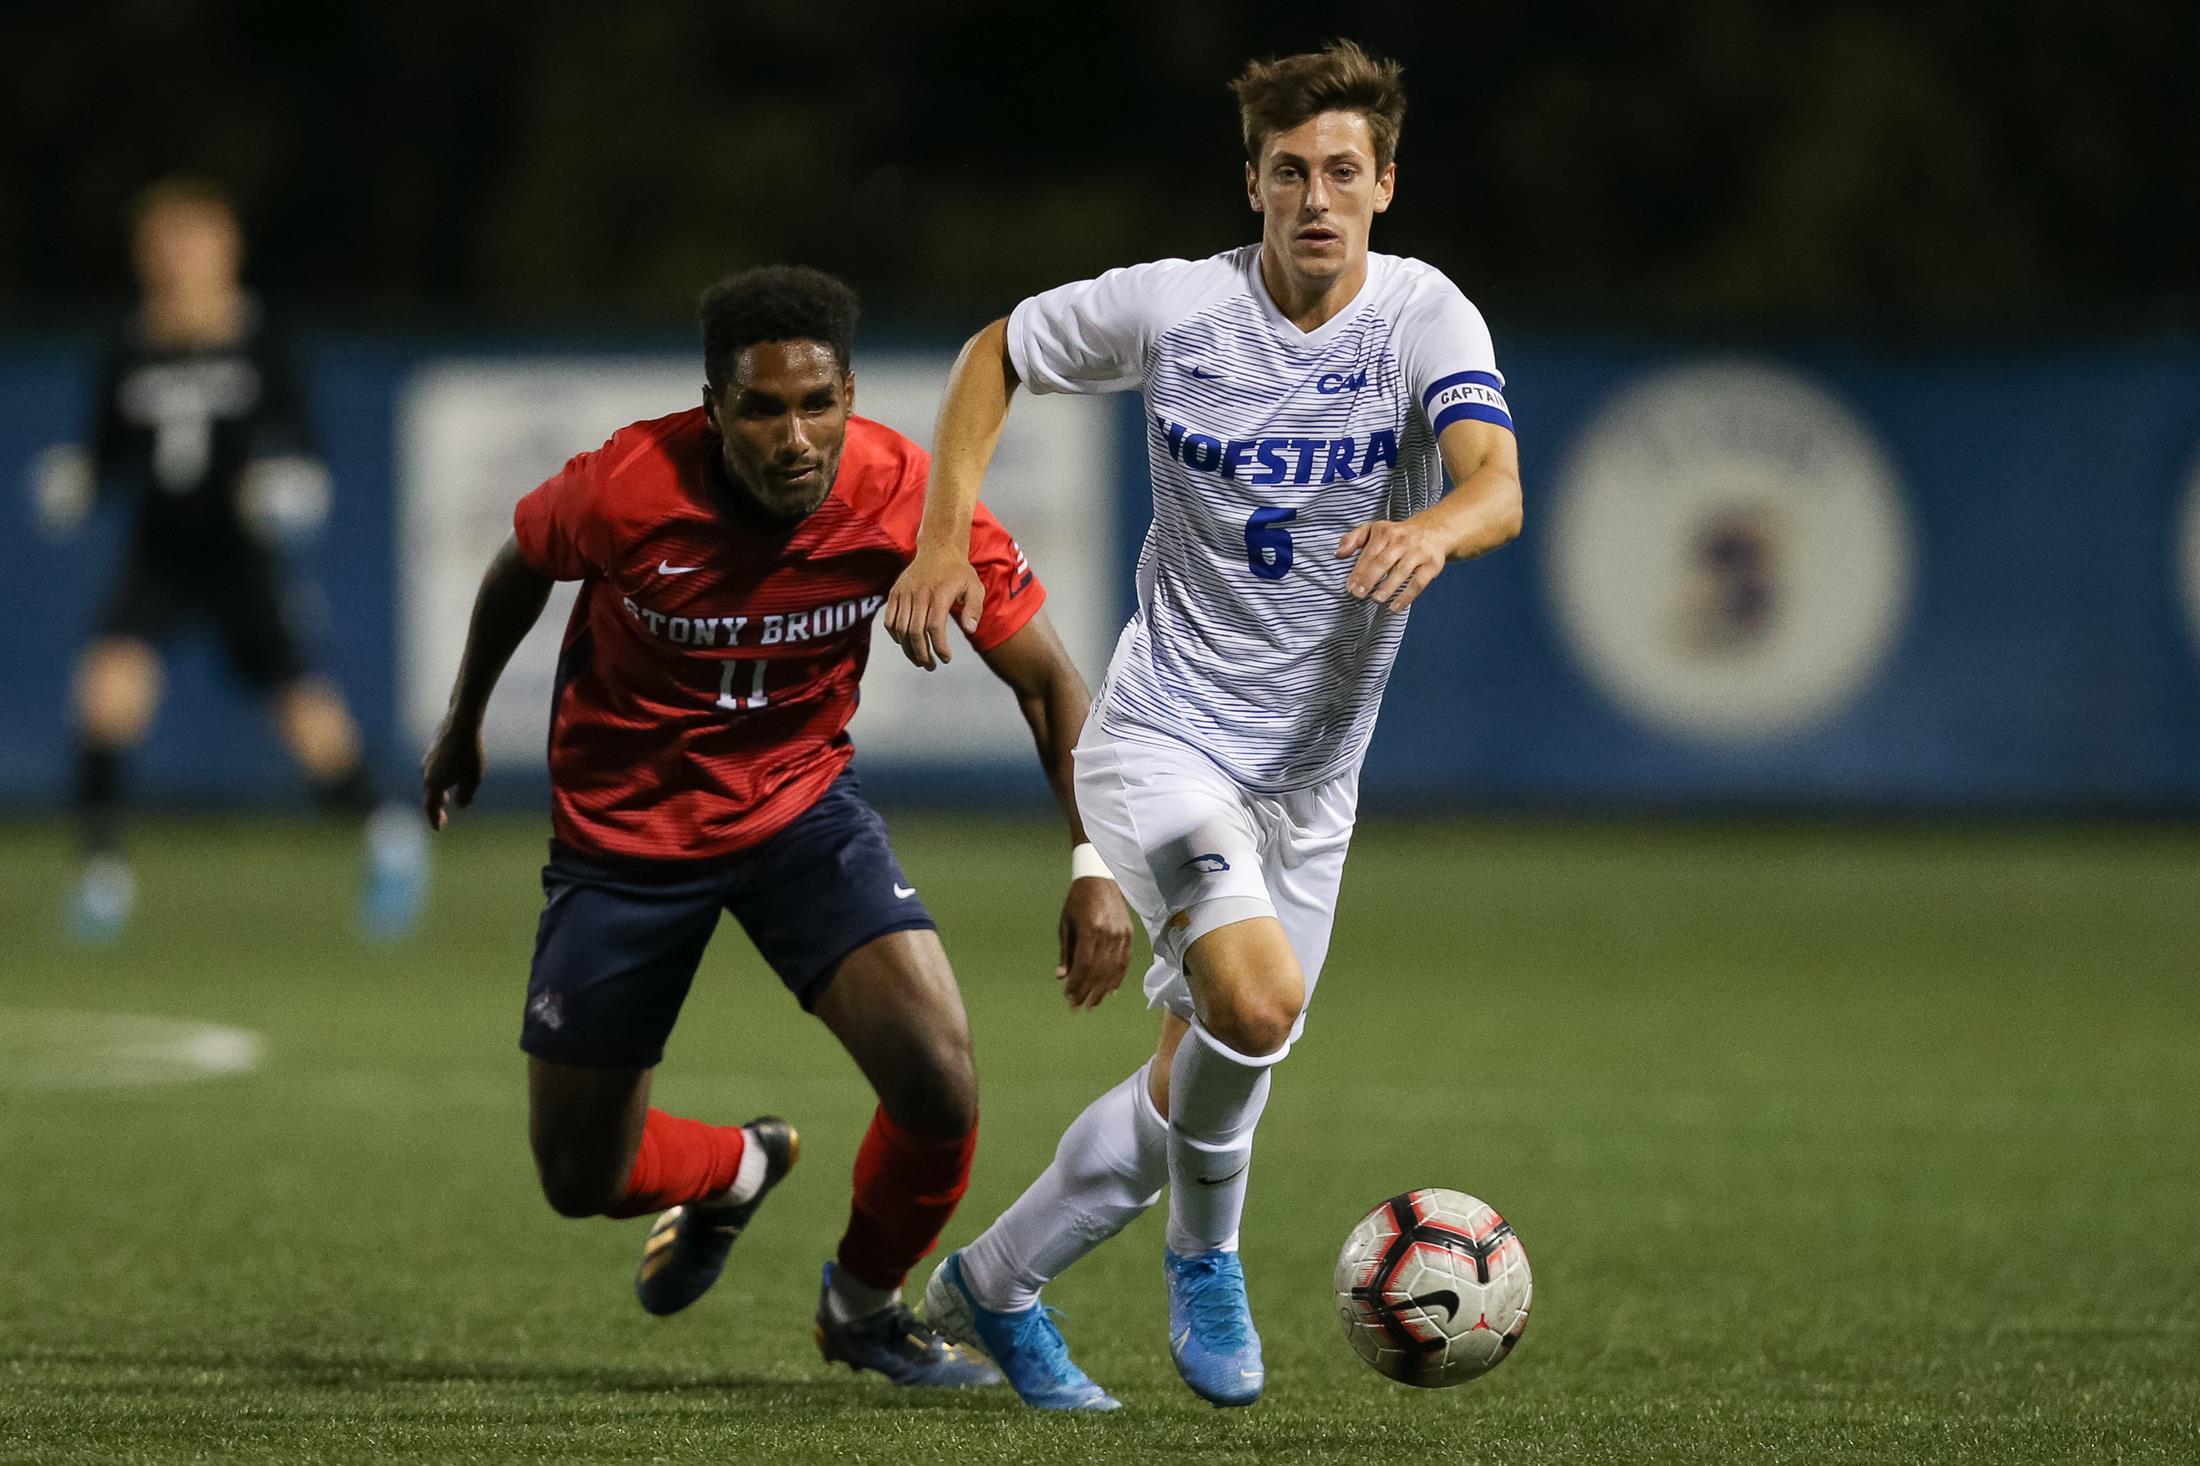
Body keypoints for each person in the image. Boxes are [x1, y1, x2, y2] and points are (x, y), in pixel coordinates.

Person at [884, 40, 1525, 1410]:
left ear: (1385, 184)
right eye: (1289, 170)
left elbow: (1497, 483)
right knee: (1259, 999)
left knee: (1200, 1076)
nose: (1316, 197)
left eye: (1342, 171)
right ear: (1252, 183)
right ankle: (1205, 1253)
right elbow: (995, 352)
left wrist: (1435, 527)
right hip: (1164, 732)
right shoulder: (1176, 310)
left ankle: (993, 1281)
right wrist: (944, 534)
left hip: (1313, 781)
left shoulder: (1425, 321)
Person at [419, 265, 1134, 1385]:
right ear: (715, 408)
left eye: (818, 403)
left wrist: (1095, 859)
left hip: (797, 810)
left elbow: (1049, 686)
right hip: (624, 840)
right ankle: (734, 1167)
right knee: (579, 1175)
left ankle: (863, 1305)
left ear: (850, 393)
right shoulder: (626, 486)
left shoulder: (906, 495)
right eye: (761, 408)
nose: (794, 435)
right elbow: (519, 565)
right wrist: (464, 722)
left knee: (939, 1077)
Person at [35, 176, 428, 943]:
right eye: (164, 246)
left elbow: (303, 449)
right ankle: (101, 879)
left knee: (305, 720)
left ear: (227, 249)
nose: (178, 261)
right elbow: (107, 453)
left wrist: (290, 488)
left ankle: (389, 835)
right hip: (158, 553)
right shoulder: (130, 344)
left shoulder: (261, 338)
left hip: (239, 557)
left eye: (194, 242)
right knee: (106, 696)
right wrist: (77, 479)